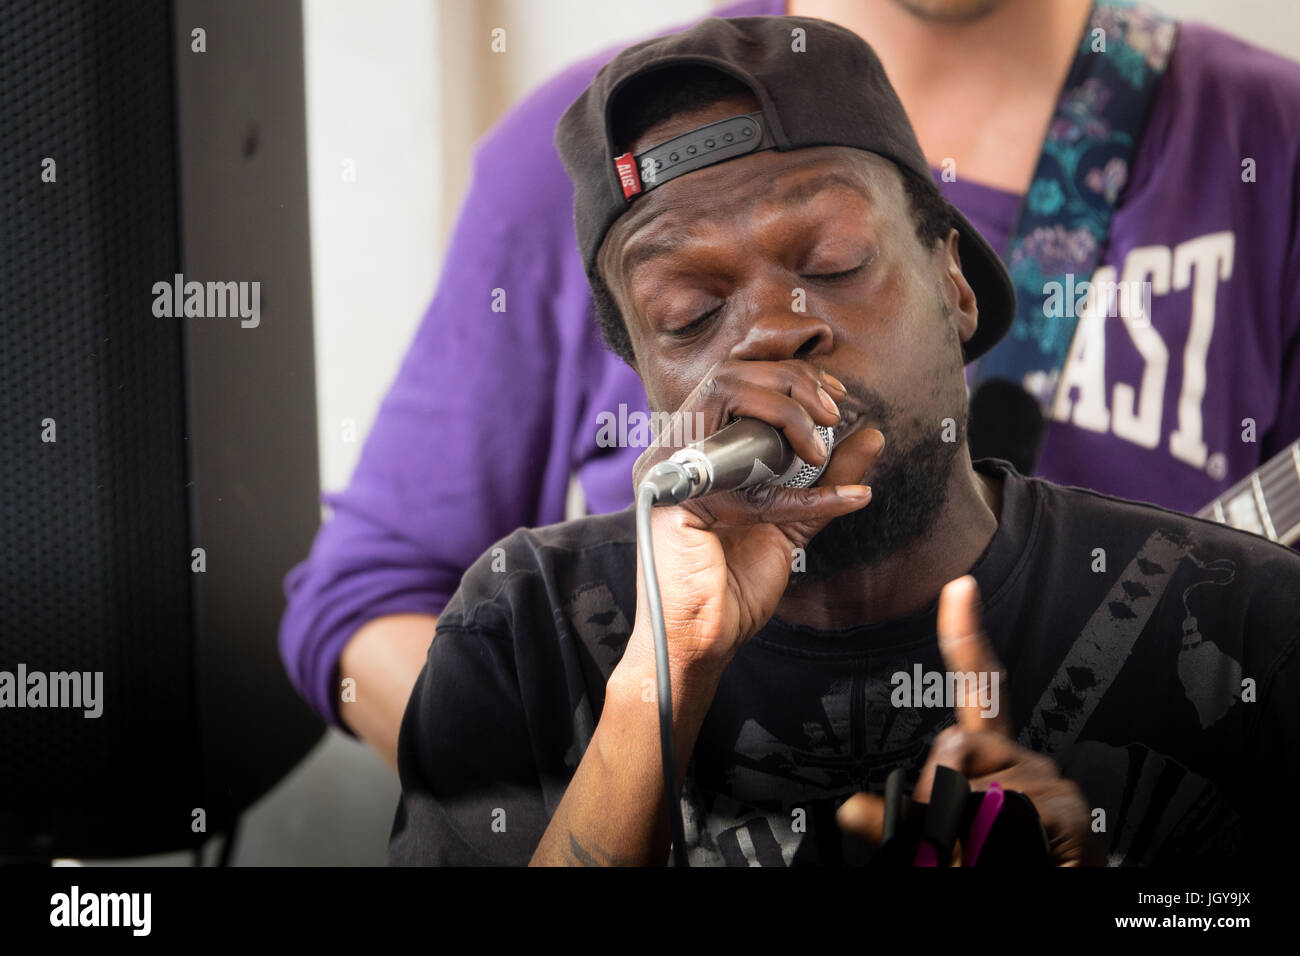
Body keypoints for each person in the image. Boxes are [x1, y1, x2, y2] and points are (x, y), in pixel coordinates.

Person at [279, 0, 1300, 769]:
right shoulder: (594, 154)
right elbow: (370, 596)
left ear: (951, 275)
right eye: (688, 314)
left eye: (838, 258)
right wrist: (627, 787)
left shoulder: (1270, 144)